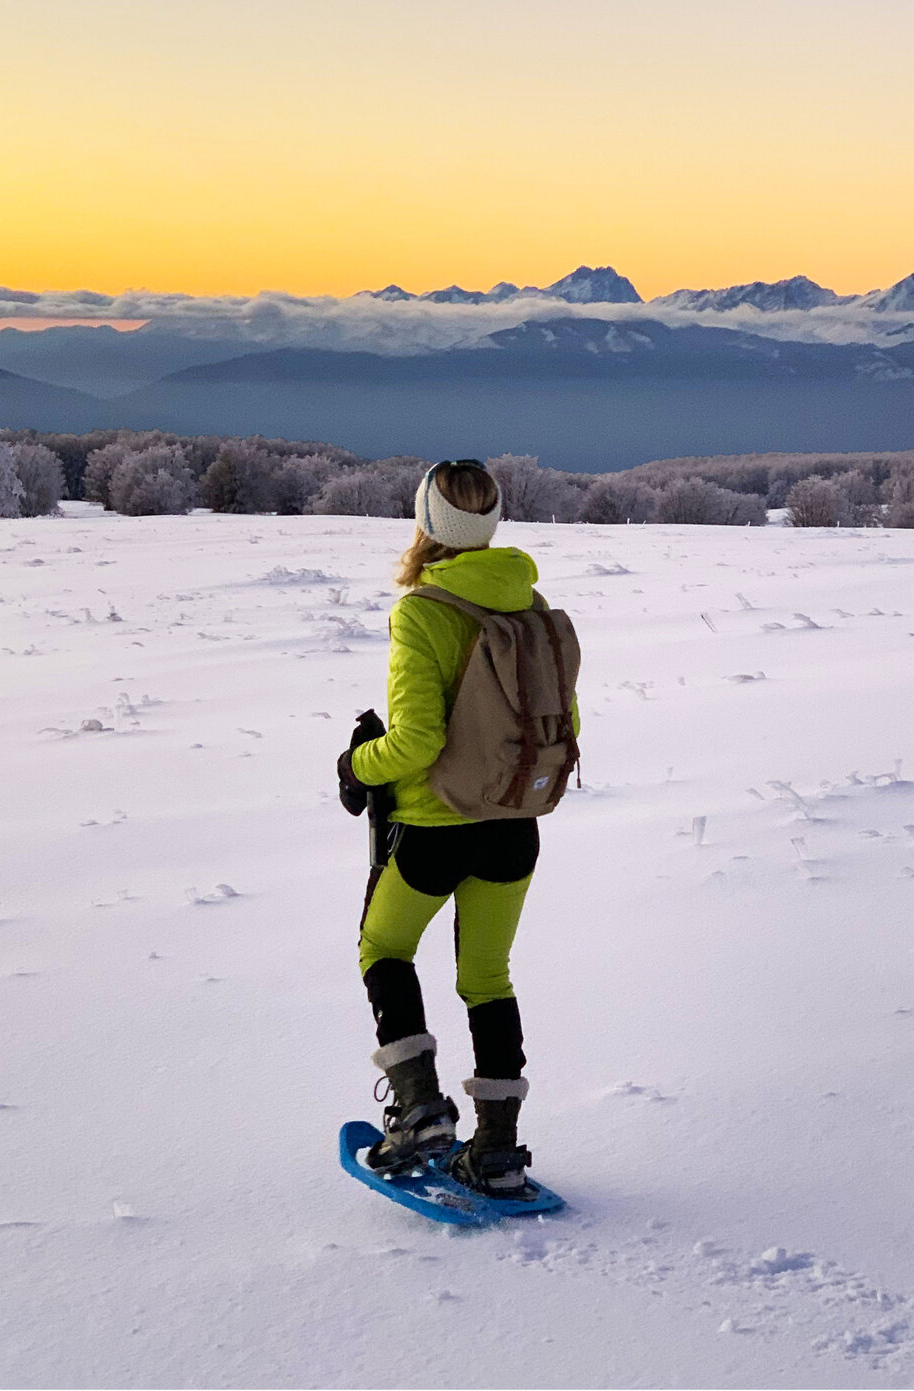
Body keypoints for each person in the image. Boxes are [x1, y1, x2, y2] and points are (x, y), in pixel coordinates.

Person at [337, 459, 578, 1196]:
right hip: (514, 824)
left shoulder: (423, 611)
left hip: (432, 827)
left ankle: (419, 1113)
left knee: (383, 946)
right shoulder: (529, 605)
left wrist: (355, 765)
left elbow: (413, 742)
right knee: (485, 978)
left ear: (426, 524)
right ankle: (498, 1151)